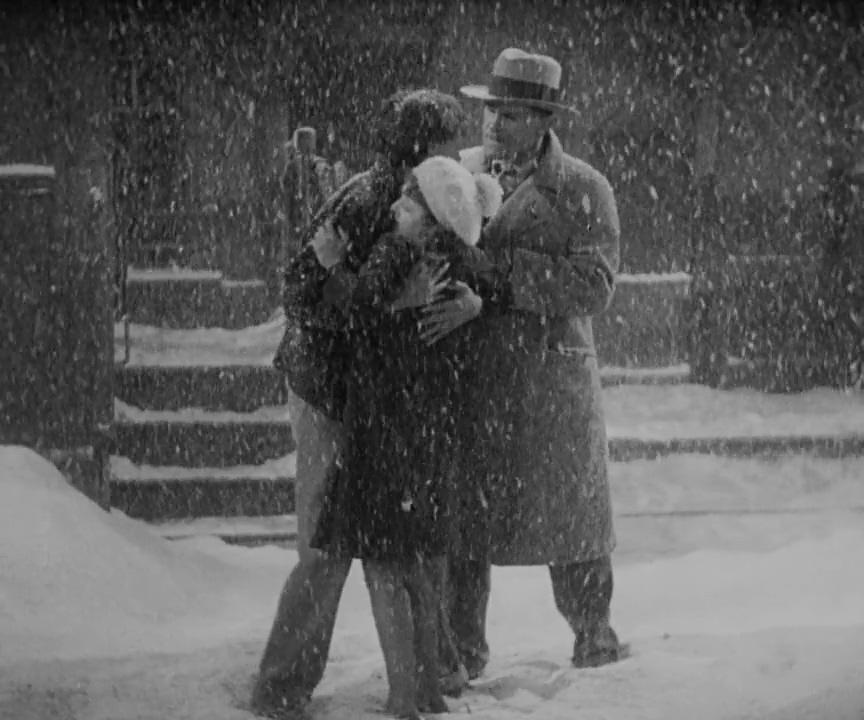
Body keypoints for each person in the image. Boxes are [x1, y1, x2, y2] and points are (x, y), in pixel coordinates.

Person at [254, 89, 468, 718]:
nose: (456, 157)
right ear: (419, 151)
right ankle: (281, 685)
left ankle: (431, 672)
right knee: (328, 543)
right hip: (327, 389)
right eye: (446, 145)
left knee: (398, 536)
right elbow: (300, 290)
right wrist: (374, 312)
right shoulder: (370, 203)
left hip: (372, 395)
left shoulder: (420, 202)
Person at [420, 47, 628, 679]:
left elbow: (595, 284)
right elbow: (431, 252)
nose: (492, 126)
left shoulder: (584, 188)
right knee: (467, 521)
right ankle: (463, 648)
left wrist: (504, 277)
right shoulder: (458, 178)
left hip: (548, 384)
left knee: (572, 518)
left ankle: (593, 630)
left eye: (508, 115)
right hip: (476, 376)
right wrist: (455, 290)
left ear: (541, 120)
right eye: (490, 112)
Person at [310, 156, 503, 719]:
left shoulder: (398, 250)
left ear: (431, 216)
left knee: (385, 568)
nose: (397, 208)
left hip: (384, 425)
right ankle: (430, 690)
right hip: (429, 429)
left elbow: (359, 309)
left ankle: (403, 697)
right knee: (421, 565)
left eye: (409, 202)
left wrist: (332, 263)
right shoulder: (460, 261)